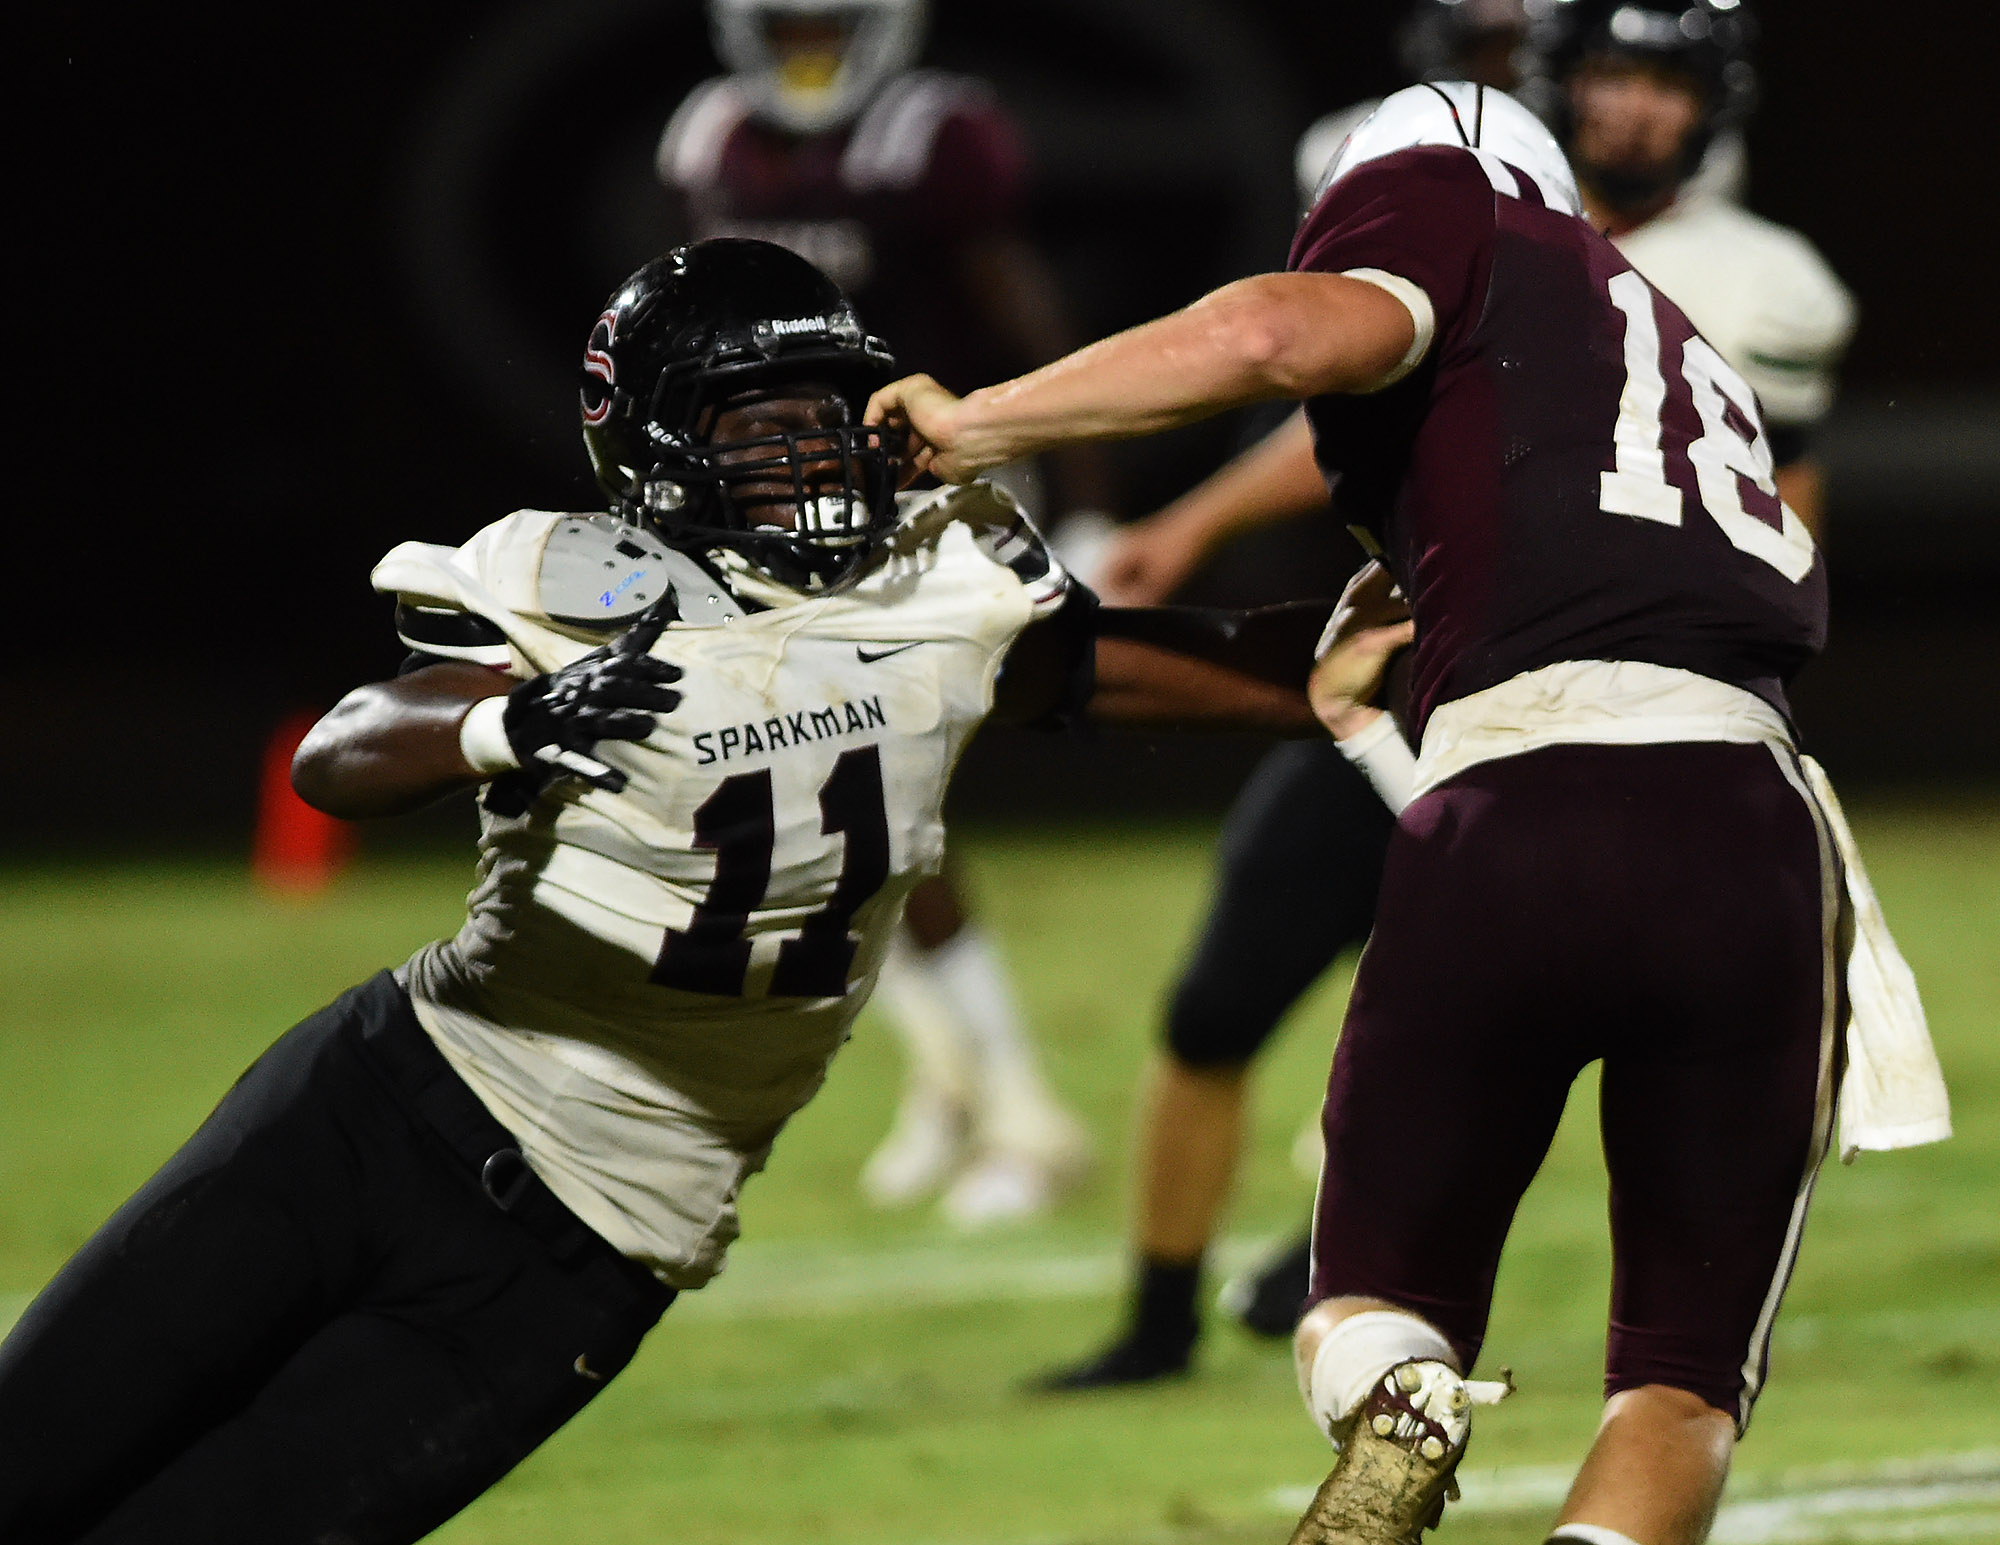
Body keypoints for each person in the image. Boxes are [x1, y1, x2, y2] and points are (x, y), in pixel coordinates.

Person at [0, 238, 1354, 1545]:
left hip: (596, 1240)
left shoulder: (951, 583)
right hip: (376, 1109)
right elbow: (339, 756)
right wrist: (508, 724)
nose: (809, 455)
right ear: (657, 446)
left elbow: (1208, 670)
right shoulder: (575, 584)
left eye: (824, 416)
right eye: (756, 426)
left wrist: (1453, 630)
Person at [867, 81, 1905, 1545]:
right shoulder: (1683, 357)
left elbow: (1268, 333)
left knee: (1365, 1305)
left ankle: (1398, 1395)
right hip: (1752, 828)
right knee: (1678, 1385)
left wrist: (981, 423)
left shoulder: (1447, 209)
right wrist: (1364, 729)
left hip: (1511, 810)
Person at [1063, 0, 1856, 1386]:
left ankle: (1357, 1278)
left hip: (1599, 707)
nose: (1634, 111)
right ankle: (1161, 1314)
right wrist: (1193, 526)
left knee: (1509, 1010)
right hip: (1402, 678)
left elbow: (1783, 512)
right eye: (1610, 74)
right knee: (1221, 998)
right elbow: (1345, 390)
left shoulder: (1765, 282)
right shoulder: (1472, 211)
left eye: (1667, 83)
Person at [657, 0, 1119, 1225]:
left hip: (926, 499)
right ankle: (962, 1088)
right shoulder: (712, 138)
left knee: (874, 805)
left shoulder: (929, 137)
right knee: (832, 813)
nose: (807, 43)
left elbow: (1014, 304)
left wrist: (1083, 504)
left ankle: (1016, 1109)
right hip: (788, 514)